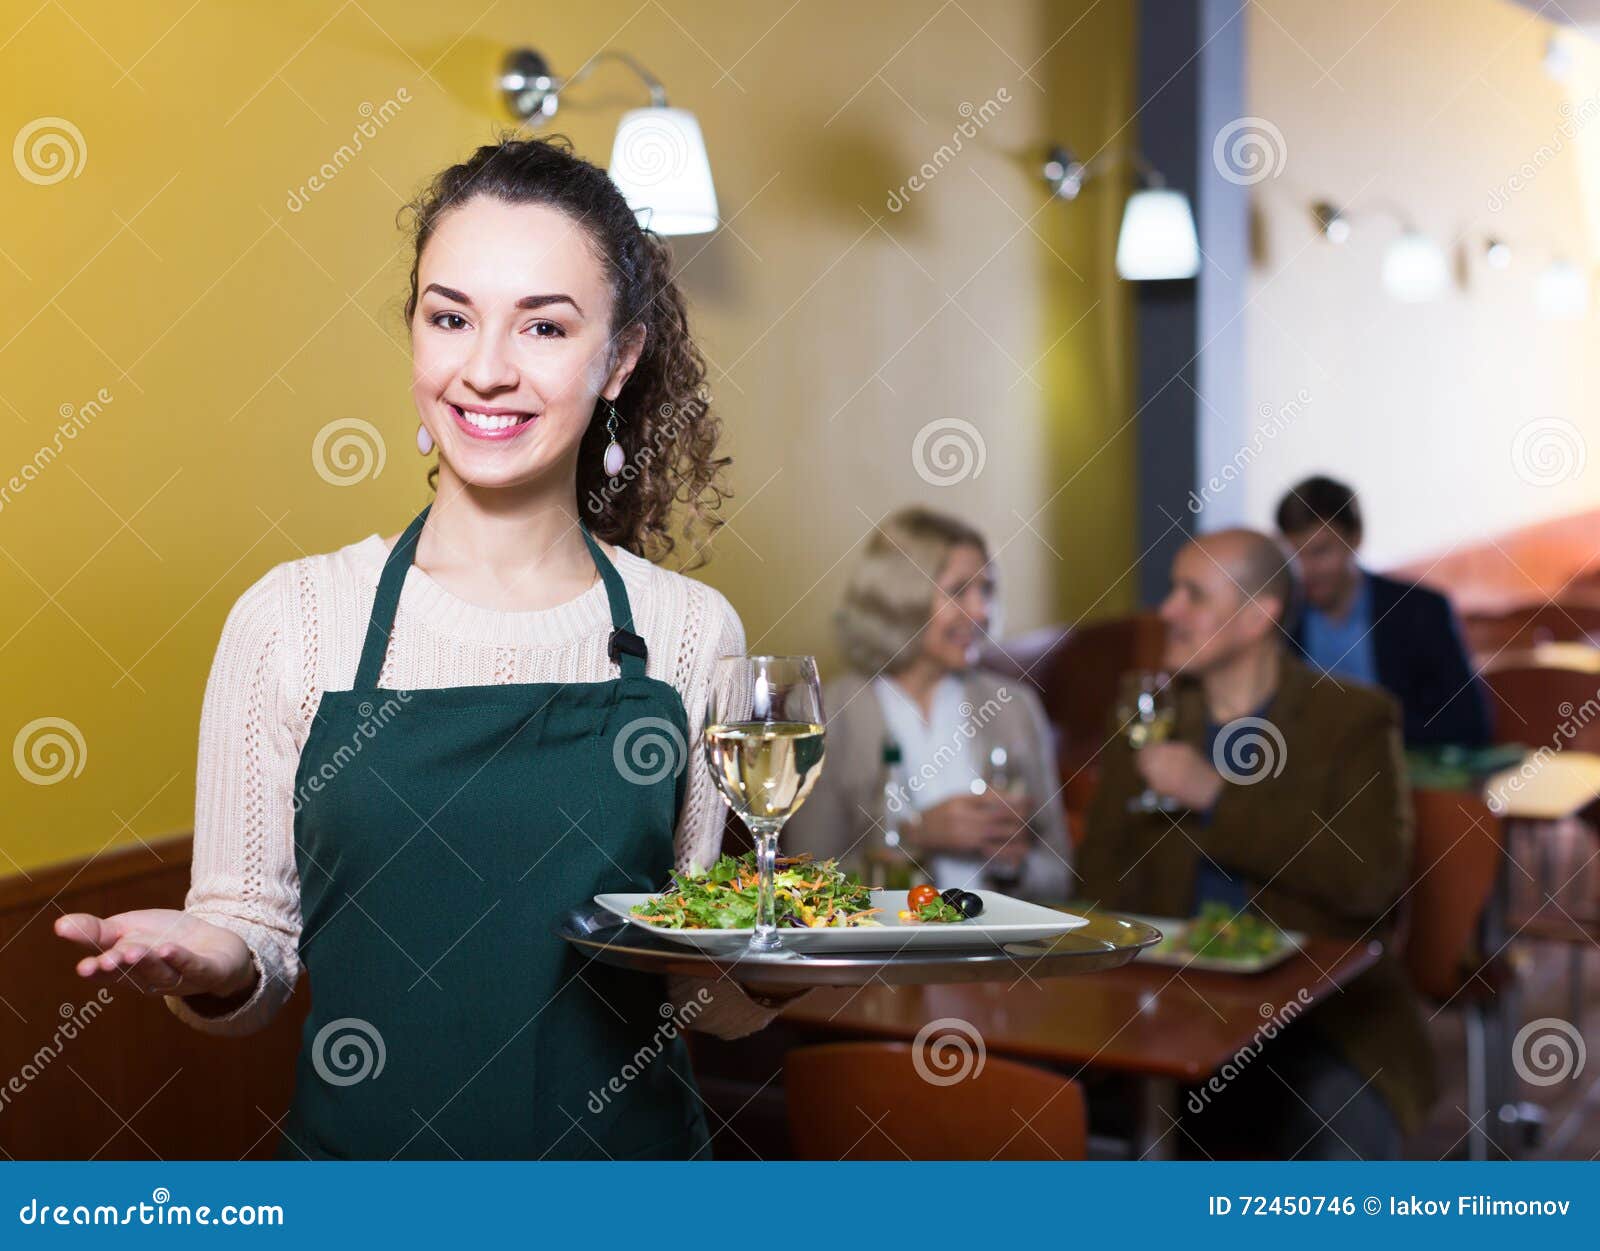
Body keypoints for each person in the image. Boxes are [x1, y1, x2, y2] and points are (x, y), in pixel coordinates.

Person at [53, 136, 778, 1161]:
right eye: (451, 317)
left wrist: (798, 968)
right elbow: (251, 938)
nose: (486, 368)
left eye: (544, 325)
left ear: (617, 358)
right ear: (415, 339)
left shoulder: (691, 634)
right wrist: (206, 957)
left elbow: (691, 979)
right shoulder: (293, 620)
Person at [1078, 528, 1435, 1159]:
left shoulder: (1352, 721)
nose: (1168, 611)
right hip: (1166, 1010)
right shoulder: (1147, 717)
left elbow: (1371, 883)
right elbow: (1098, 884)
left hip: (1317, 1019)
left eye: (1193, 594)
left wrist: (1216, 795)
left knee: (1338, 1130)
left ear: (1258, 614)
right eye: (1172, 592)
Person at [783, 508, 1072, 899]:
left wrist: (1014, 867)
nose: (982, 611)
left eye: (986, 590)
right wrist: (913, 838)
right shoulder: (826, 712)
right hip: (880, 956)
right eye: (958, 590)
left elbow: (1060, 873)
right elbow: (805, 884)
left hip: (994, 953)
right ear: (901, 598)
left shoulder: (1014, 707)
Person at [1276, 475, 1491, 748]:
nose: (1305, 570)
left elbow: (1470, 723)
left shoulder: (1421, 611)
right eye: (1293, 554)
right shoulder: (1277, 619)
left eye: (1320, 551)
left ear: (1355, 539)